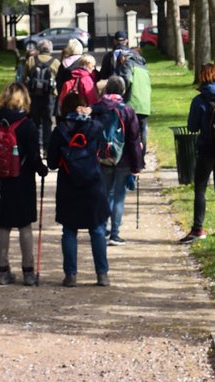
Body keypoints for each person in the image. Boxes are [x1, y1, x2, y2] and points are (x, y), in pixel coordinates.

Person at [47, 91, 110, 287]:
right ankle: (102, 274)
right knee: (97, 229)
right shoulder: (95, 127)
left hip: (69, 184)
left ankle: (71, 275)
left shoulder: (59, 131)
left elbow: (52, 163)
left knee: (69, 230)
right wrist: (95, 109)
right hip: (93, 183)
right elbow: (108, 112)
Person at [0, 83, 47, 286]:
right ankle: (28, 271)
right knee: (24, 226)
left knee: (3, 225)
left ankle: (3, 270)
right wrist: (42, 169)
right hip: (21, 180)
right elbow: (33, 157)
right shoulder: (27, 124)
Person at [179, 63, 215, 242]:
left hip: (207, 148)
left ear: (202, 78)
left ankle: (198, 229)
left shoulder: (200, 100)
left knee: (201, 188)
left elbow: (192, 126)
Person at [92, 75, 143, 246]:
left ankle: (102, 229)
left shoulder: (98, 108)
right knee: (119, 196)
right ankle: (115, 234)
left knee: (105, 194)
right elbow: (134, 140)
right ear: (123, 90)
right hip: (123, 159)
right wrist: (137, 165)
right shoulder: (127, 110)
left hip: (103, 157)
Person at [24, 39, 60, 154]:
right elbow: (58, 80)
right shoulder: (55, 62)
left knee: (35, 121)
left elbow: (25, 78)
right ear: (50, 49)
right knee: (48, 122)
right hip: (49, 96)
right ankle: (46, 148)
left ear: (38, 49)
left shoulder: (30, 60)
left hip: (33, 95)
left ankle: (37, 146)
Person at [54, 37, 87, 108]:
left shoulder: (64, 63)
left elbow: (59, 82)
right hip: (84, 96)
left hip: (68, 97)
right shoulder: (87, 61)